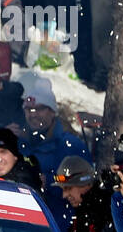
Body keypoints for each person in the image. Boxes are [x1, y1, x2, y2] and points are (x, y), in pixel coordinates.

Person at [20, 76, 90, 216]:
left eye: (39, 109)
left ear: (52, 112)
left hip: (61, 219)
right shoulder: (19, 142)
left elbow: (84, 179)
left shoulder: (70, 145)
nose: (33, 114)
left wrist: (51, 180)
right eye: (29, 109)